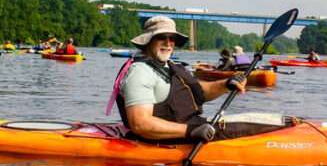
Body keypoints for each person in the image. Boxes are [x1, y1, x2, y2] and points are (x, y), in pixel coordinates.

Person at [107, 16, 276, 143]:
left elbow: (199, 91)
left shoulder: (169, 66)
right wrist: (190, 131)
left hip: (193, 129)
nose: (168, 43)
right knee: (254, 130)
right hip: (170, 140)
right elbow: (140, 124)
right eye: (161, 37)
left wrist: (226, 84)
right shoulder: (140, 72)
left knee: (262, 122)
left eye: (171, 38)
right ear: (149, 41)